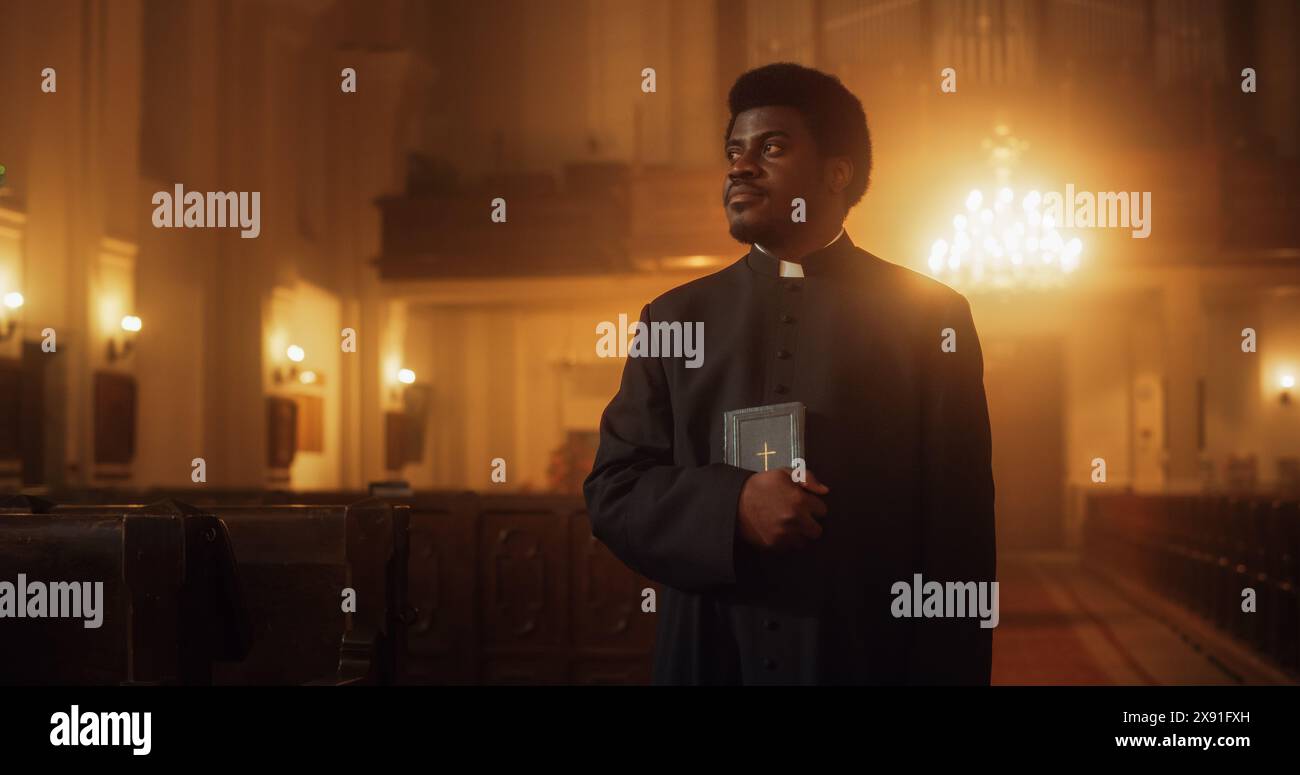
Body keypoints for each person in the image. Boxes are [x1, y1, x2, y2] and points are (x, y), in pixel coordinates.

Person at [584, 62, 996, 685]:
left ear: (837, 173)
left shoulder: (930, 317)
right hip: (709, 654)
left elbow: (959, 536)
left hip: (866, 656)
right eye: (733, 151)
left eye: (771, 147)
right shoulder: (673, 317)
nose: (740, 167)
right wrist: (731, 506)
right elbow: (614, 491)